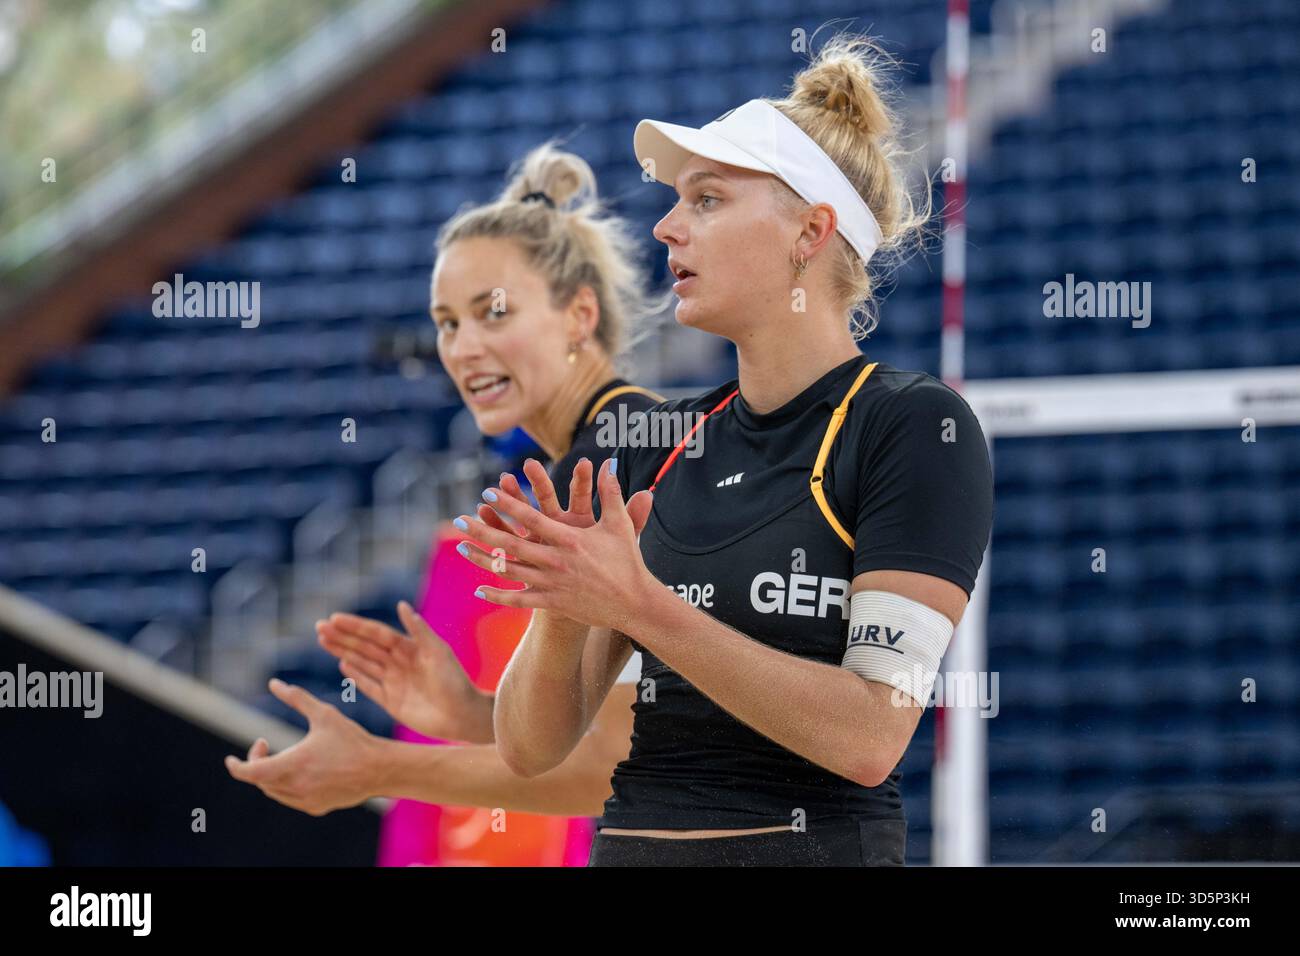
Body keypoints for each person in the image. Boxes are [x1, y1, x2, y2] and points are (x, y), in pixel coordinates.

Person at [453, 35, 995, 866]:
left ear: (811, 232)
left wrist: (638, 605)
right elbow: (531, 746)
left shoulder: (914, 427)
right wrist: (568, 603)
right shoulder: (656, 442)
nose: (667, 226)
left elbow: (870, 733)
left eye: (706, 200)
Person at [224, 143, 667, 833]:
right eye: (447, 323)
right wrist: (473, 713)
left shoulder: (609, 467)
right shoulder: (600, 451)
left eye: (493, 313)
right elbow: (633, 744)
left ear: (580, 315)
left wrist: (378, 768)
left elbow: (618, 766)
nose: (461, 349)